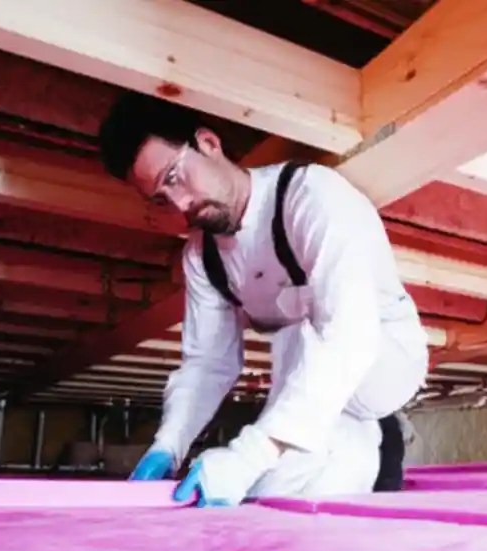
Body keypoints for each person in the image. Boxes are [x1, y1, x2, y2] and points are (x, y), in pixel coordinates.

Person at [97, 92, 429, 507]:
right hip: (315, 392)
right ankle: (362, 448)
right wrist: (168, 444)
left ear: (208, 143)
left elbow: (348, 335)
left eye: (175, 177)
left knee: (305, 340)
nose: (181, 205)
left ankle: (384, 433)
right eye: (161, 199)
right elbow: (208, 363)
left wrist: (247, 454)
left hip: (383, 367)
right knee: (270, 499)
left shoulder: (312, 197)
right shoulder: (203, 258)